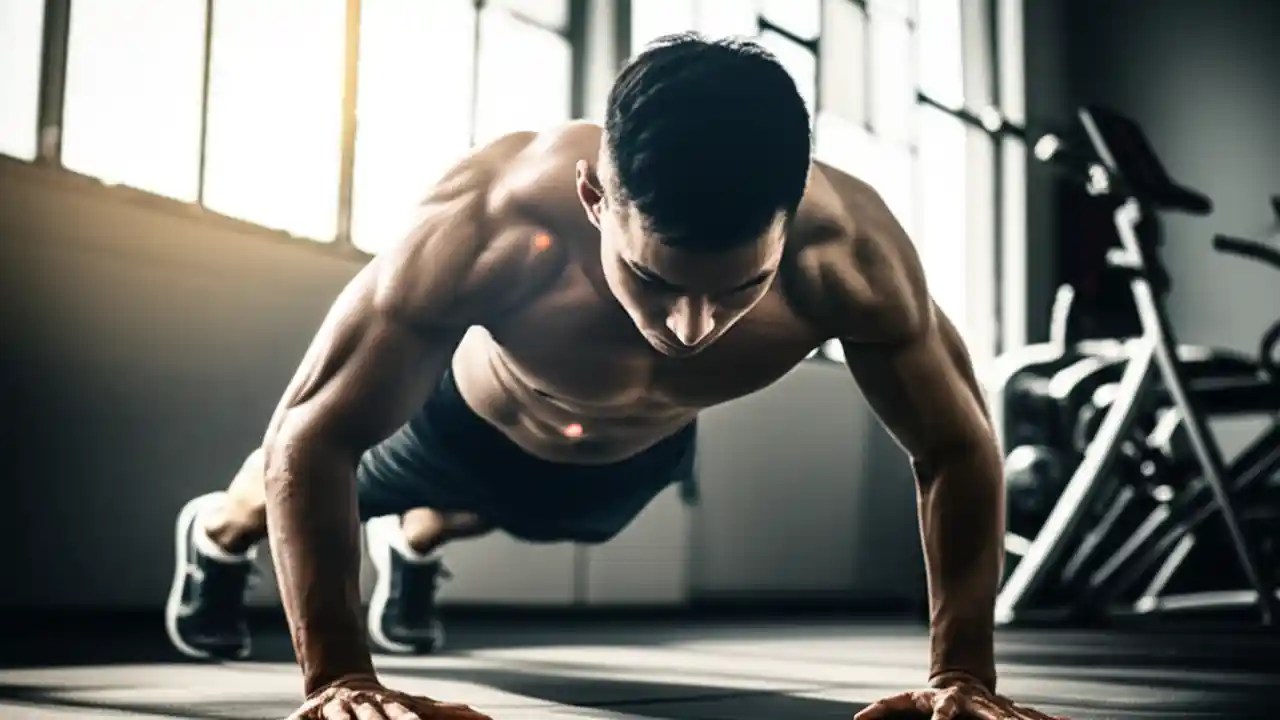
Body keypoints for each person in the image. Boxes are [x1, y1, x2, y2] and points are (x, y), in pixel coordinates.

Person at [165, 33, 1060, 720]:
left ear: (789, 221)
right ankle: (212, 536)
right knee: (293, 492)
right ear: (596, 198)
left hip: (630, 461)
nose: (693, 329)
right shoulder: (492, 217)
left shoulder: (851, 254)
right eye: (657, 281)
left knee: (553, 519)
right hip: (460, 423)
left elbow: (955, 445)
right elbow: (312, 434)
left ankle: (415, 545)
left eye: (740, 287)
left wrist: (964, 677)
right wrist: (340, 678)